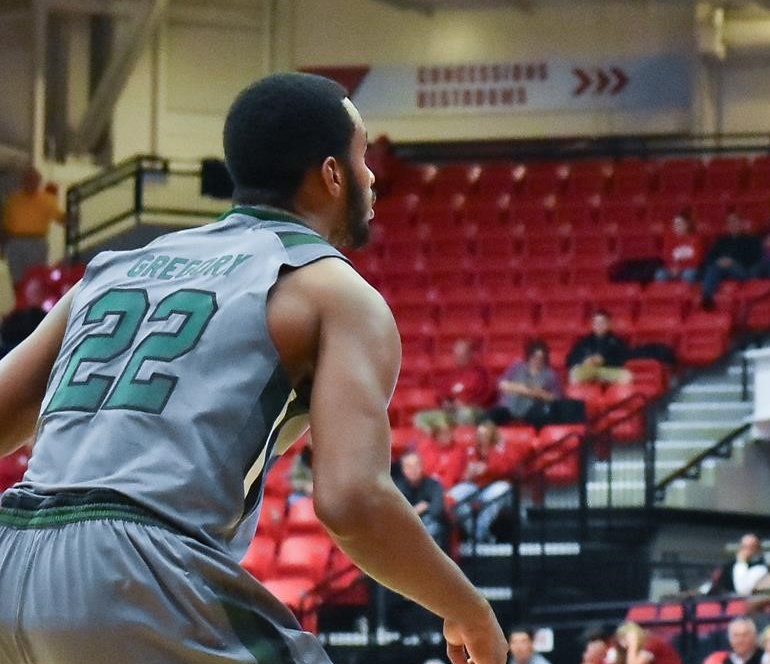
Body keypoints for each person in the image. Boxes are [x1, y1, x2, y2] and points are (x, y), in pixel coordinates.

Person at [0, 72, 505, 664]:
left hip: (12, 555)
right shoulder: (333, 292)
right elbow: (351, 503)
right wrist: (466, 605)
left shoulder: (113, 269)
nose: (371, 176)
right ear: (332, 173)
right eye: (362, 156)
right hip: (134, 565)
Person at [446, 420, 520, 543]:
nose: (482, 438)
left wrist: (487, 469)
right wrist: (467, 474)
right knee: (453, 496)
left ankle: (478, 534)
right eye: (480, 435)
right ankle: (476, 533)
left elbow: (509, 469)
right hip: (474, 486)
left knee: (501, 489)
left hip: (493, 488)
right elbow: (459, 472)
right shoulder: (470, 450)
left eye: (486, 435)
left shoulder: (501, 448)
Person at [420, 336, 498, 431]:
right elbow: (441, 393)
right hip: (451, 411)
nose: (458, 358)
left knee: (466, 414)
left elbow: (485, 395)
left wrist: (464, 402)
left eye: (462, 355)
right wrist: (445, 402)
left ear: (470, 354)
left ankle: (460, 440)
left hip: (472, 410)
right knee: (421, 417)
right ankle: (439, 441)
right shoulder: (452, 374)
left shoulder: (481, 373)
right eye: (456, 354)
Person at [1, 168, 59, 291]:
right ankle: (20, 307)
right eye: (27, 179)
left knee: (35, 279)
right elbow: (6, 224)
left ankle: (33, 308)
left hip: (36, 243)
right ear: (23, 181)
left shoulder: (47, 199)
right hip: (15, 243)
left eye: (33, 180)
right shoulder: (14, 200)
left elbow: (61, 217)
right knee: (16, 279)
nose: (30, 182)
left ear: (38, 182)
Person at [700, 213, 769, 308]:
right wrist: (720, 261)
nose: (732, 224)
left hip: (742, 270)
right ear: (727, 225)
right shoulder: (721, 240)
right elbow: (709, 257)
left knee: (721, 265)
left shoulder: (751, 239)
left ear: (741, 223)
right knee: (714, 266)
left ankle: (707, 295)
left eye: (735, 221)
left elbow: (755, 258)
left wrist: (732, 261)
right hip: (721, 268)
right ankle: (707, 297)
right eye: (730, 222)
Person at [496, 339, 566, 426]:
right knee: (493, 416)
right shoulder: (517, 367)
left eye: (541, 358)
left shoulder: (551, 375)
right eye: (535, 357)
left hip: (531, 410)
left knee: (539, 416)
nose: (538, 360)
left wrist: (539, 394)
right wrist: (526, 390)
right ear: (529, 356)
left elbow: (556, 398)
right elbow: (502, 384)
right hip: (508, 407)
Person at [394, 449, 451, 546]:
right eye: (409, 466)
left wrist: (425, 508)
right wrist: (417, 510)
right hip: (407, 529)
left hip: (433, 532)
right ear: (403, 469)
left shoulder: (434, 485)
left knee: (431, 526)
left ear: (422, 467)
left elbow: (437, 510)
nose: (413, 470)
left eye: (416, 465)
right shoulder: (397, 487)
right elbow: (395, 515)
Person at [567, 308, 634, 386]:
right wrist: (584, 360)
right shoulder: (584, 341)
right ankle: (580, 396)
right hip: (589, 370)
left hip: (607, 370)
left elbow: (623, 359)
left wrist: (604, 360)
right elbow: (570, 359)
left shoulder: (617, 341)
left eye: (602, 322)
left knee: (627, 375)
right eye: (596, 322)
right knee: (574, 373)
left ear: (609, 324)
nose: (599, 325)